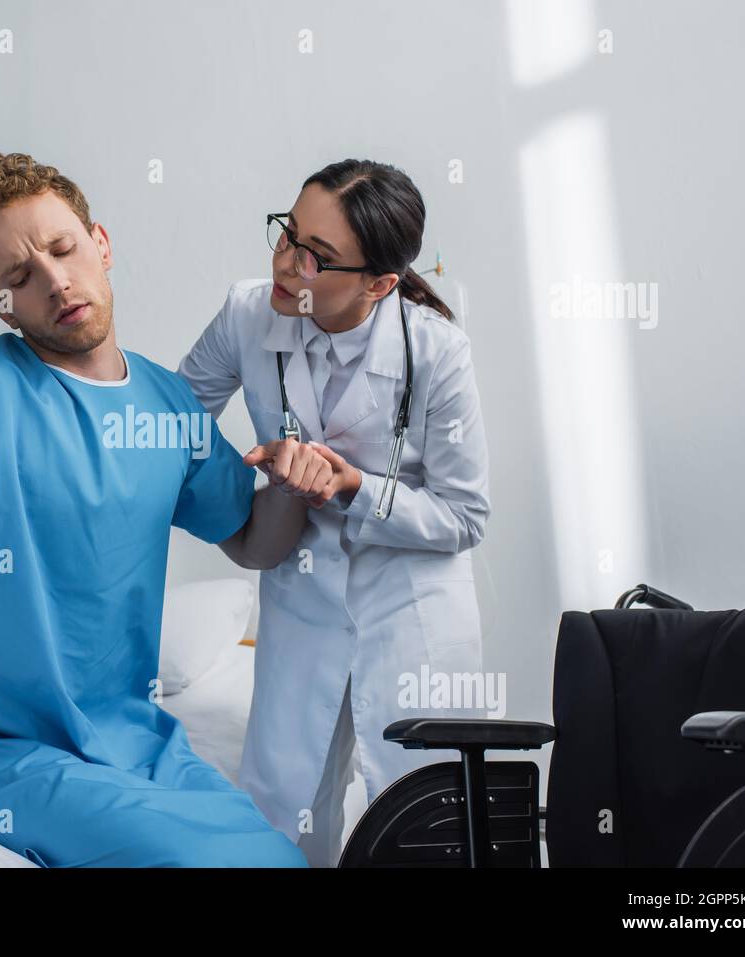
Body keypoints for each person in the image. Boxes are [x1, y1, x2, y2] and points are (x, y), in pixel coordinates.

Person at [0, 152, 332, 867]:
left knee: (282, 861)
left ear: (101, 244)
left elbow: (251, 541)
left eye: (63, 249)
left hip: (134, 740)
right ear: (0, 305)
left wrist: (298, 485)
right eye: (18, 276)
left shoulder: (170, 409)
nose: (54, 280)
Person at [178, 159, 491, 867]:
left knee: (423, 823)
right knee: (278, 818)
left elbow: (465, 516)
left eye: (317, 257)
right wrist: (257, 486)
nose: (288, 263)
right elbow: (172, 424)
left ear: (380, 284)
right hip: (303, 600)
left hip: (413, 607)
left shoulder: (437, 353)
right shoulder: (245, 313)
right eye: (289, 233)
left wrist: (356, 487)